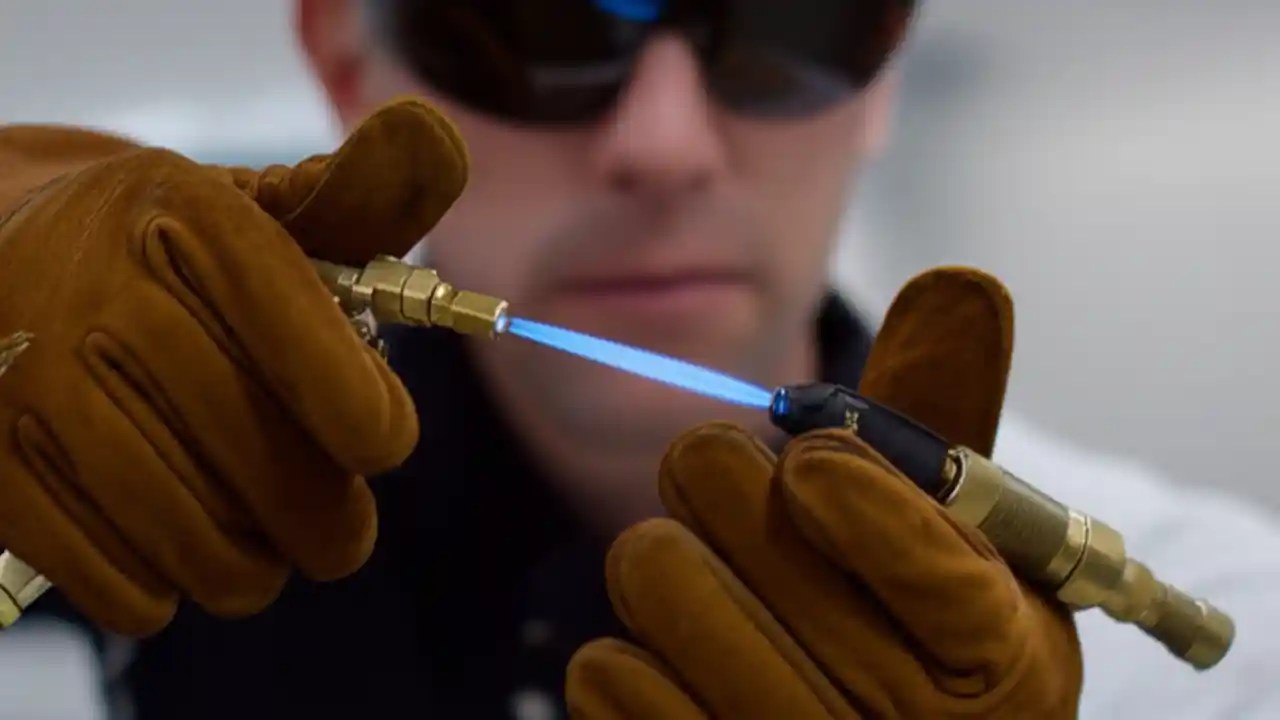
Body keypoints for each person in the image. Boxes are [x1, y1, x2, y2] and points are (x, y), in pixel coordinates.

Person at [1, 1, 1277, 718]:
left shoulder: (1205, 642)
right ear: (344, 59)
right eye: (544, 23)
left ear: (884, 66)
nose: (662, 145)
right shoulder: (143, 478)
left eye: (785, 22)